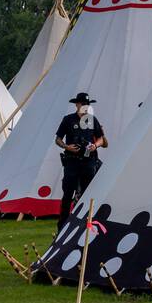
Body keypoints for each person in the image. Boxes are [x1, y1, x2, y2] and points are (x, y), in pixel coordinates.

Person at [54, 91, 107, 225]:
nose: (85, 106)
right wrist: (66, 146)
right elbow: (58, 139)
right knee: (67, 194)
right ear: (77, 104)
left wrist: (95, 145)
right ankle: (63, 224)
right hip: (71, 160)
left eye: (87, 104)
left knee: (87, 193)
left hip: (88, 161)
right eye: (82, 104)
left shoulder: (92, 119)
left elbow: (101, 138)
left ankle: (86, 222)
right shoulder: (68, 119)